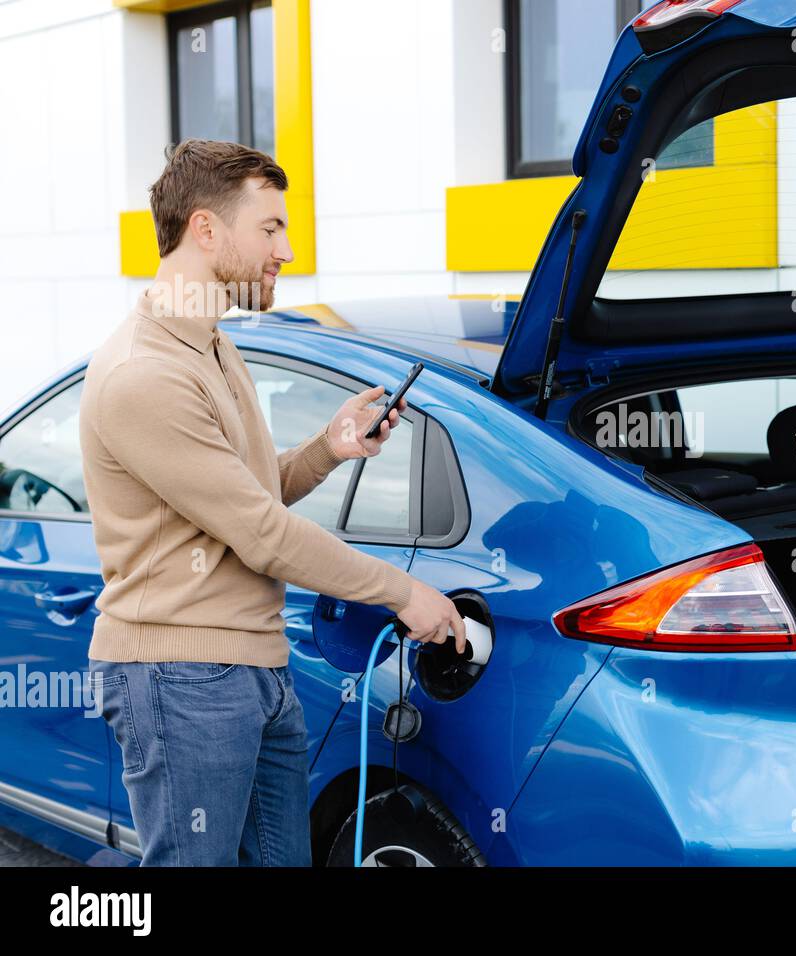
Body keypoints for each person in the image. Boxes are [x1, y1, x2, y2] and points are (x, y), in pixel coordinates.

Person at [81, 139, 464, 866]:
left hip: (254, 672)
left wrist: (327, 448)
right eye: (270, 229)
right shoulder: (145, 374)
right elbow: (261, 533)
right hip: (182, 681)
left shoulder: (211, 345)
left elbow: (238, 498)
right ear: (205, 229)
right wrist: (400, 590)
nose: (286, 248)